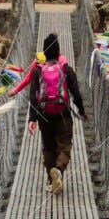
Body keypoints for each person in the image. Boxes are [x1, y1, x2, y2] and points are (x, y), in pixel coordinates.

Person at [20, 34, 87, 195]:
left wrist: (32, 118)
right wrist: (81, 111)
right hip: (63, 113)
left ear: (44, 52)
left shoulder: (38, 71)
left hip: (44, 115)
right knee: (65, 145)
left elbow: (33, 96)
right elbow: (76, 93)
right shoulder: (66, 69)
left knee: (48, 147)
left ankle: (51, 181)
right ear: (58, 52)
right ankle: (58, 169)